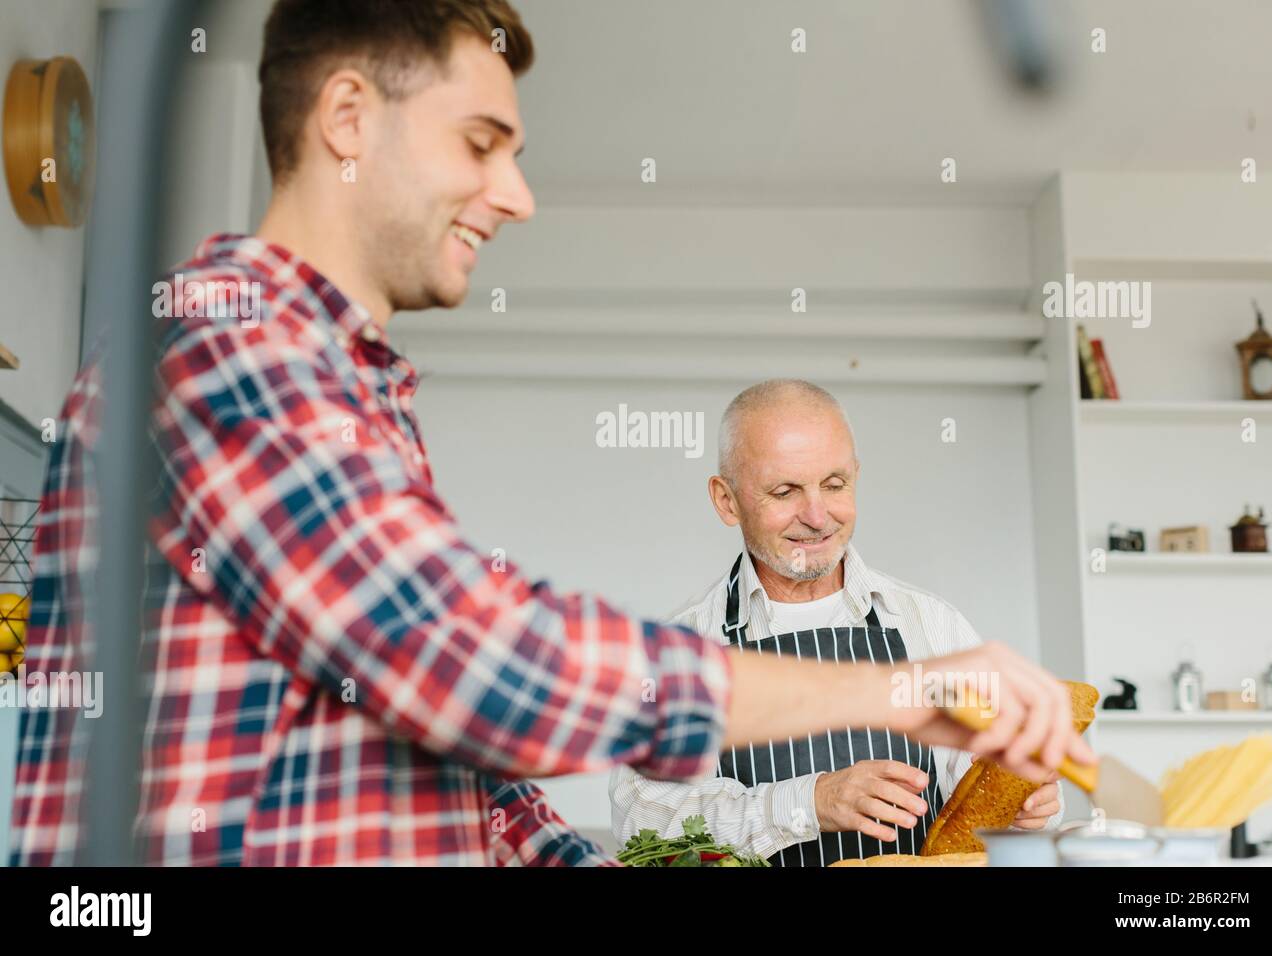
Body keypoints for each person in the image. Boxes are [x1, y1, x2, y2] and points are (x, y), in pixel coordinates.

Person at [9, 0, 1091, 866]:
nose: (516, 194)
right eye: (482, 143)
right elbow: (476, 659)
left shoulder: (349, 389)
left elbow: (461, 758)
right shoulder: (228, 347)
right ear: (347, 120)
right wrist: (907, 692)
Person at [611, 380, 1063, 865]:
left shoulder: (930, 625)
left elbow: (986, 801)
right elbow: (644, 819)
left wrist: (1025, 810)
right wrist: (812, 801)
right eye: (784, 491)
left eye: (834, 485)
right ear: (727, 500)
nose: (817, 515)